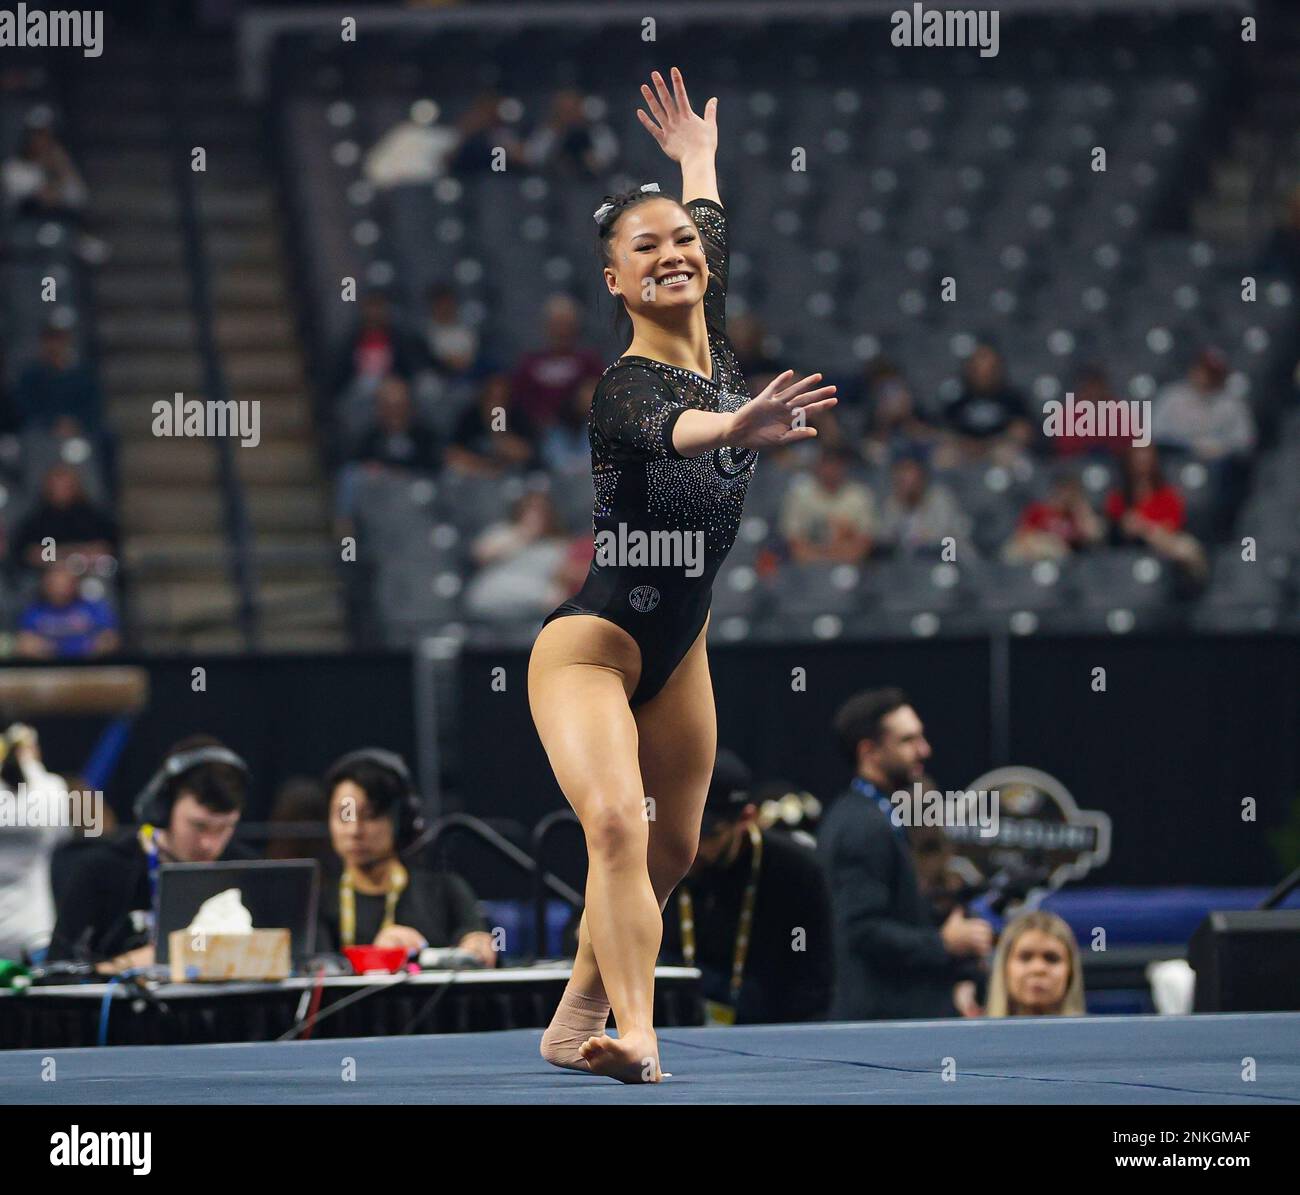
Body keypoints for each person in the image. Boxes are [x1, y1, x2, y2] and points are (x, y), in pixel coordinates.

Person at [528, 66, 837, 1083]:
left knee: (669, 853)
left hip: (683, 646)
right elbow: (674, 429)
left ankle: (572, 1022)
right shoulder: (622, 387)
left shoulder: (710, 308)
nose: (672, 254)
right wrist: (732, 425)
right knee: (616, 824)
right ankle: (636, 1031)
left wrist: (694, 159)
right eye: (643, 248)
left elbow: (705, 217)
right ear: (612, 281)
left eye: (681, 242)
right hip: (593, 650)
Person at [818, 688, 993, 1020]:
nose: (924, 750)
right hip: (878, 1027)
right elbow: (861, 929)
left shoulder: (876, 814)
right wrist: (943, 943)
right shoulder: (862, 826)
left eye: (921, 738)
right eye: (908, 741)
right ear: (869, 751)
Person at [655, 749, 833, 1025]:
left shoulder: (796, 870)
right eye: (682, 829)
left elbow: (814, 979)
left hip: (773, 1031)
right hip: (671, 1027)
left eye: (707, 834)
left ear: (746, 818)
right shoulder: (661, 858)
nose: (692, 847)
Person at [47, 736, 253, 971]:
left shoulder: (247, 871)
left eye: (224, 828)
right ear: (162, 808)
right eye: (199, 826)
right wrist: (128, 965)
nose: (209, 844)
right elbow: (56, 974)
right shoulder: (103, 870)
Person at [315, 750, 495, 965]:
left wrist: (477, 948)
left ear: (401, 819)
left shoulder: (445, 891)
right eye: (343, 815)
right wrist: (379, 956)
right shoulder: (317, 903)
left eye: (371, 815)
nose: (354, 830)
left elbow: (481, 945)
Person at [0, 725, 72, 962]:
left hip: (32, 937)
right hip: (33, 933)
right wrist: (30, 764)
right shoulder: (49, 791)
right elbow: (63, 834)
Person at [1104, 443, 1206, 581]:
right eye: (1137, 453)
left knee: (1188, 547)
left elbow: (1170, 532)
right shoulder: (1118, 499)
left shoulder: (1168, 497)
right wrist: (1124, 526)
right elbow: (1112, 531)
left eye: (1145, 452)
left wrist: (1144, 527)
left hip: (1163, 552)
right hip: (1126, 555)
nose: (1141, 459)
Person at [509, 294, 605, 431]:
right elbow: (516, 400)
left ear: (576, 328)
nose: (562, 332)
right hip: (535, 433)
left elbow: (600, 397)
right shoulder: (529, 363)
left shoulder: (588, 361)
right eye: (556, 325)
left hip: (579, 432)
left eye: (567, 325)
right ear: (546, 327)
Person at [779, 443, 877, 565]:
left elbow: (864, 544)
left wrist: (832, 557)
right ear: (818, 466)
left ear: (844, 466)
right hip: (807, 571)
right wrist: (822, 559)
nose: (831, 469)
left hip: (850, 569)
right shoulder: (801, 495)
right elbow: (794, 545)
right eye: (827, 464)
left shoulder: (859, 496)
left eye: (836, 464)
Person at [11, 463, 117, 570]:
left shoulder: (94, 518)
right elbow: (29, 553)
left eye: (66, 486)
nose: (61, 491)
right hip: (48, 576)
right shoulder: (36, 521)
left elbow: (104, 549)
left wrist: (63, 554)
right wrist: (71, 554)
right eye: (56, 486)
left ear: (76, 487)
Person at [983, 909, 1086, 1017]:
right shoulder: (974, 1033)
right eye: (1025, 957)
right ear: (1004, 967)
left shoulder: (1097, 1033)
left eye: (1051, 958)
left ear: (1070, 972)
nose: (1038, 968)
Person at [945, 342, 1034, 457]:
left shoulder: (1012, 399)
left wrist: (990, 444)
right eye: (977, 369)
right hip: (964, 452)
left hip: (999, 450)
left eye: (990, 369)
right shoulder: (956, 399)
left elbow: (1024, 431)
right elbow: (944, 431)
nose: (984, 374)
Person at [13, 325, 104, 437]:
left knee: (104, 437)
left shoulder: (83, 375)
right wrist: (51, 424)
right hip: (40, 433)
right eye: (49, 340)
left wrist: (75, 424)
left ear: (67, 341)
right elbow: (24, 410)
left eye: (58, 339)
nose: (53, 346)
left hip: (78, 432)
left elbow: (93, 408)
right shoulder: (30, 376)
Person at [876, 448, 970, 556]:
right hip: (912, 566)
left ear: (922, 473)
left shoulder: (939, 498)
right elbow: (885, 540)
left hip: (951, 561)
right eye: (898, 470)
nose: (902, 476)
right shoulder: (892, 504)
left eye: (908, 470)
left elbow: (945, 543)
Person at [16, 563, 120, 658]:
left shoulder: (94, 608)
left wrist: (56, 647)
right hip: (48, 670)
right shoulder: (34, 611)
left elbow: (109, 641)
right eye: (55, 583)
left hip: (88, 666)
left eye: (65, 582)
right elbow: (25, 645)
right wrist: (80, 645)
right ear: (45, 585)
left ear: (75, 584)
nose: (60, 588)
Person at [1001, 467, 1104, 563]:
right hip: (1039, 557)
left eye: (1072, 492)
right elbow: (1022, 536)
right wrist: (1049, 543)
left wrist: (1081, 511)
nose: (1067, 496)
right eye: (1064, 491)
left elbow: (1095, 536)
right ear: (1056, 491)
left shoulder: (1076, 514)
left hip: (1071, 564)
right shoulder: (1040, 510)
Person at [445, 373, 538, 476]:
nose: (495, 403)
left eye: (500, 398)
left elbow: (527, 451)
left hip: (509, 473)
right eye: (492, 397)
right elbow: (453, 450)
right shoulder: (471, 416)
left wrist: (499, 433)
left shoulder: (516, 416)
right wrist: (483, 464)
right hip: (476, 470)